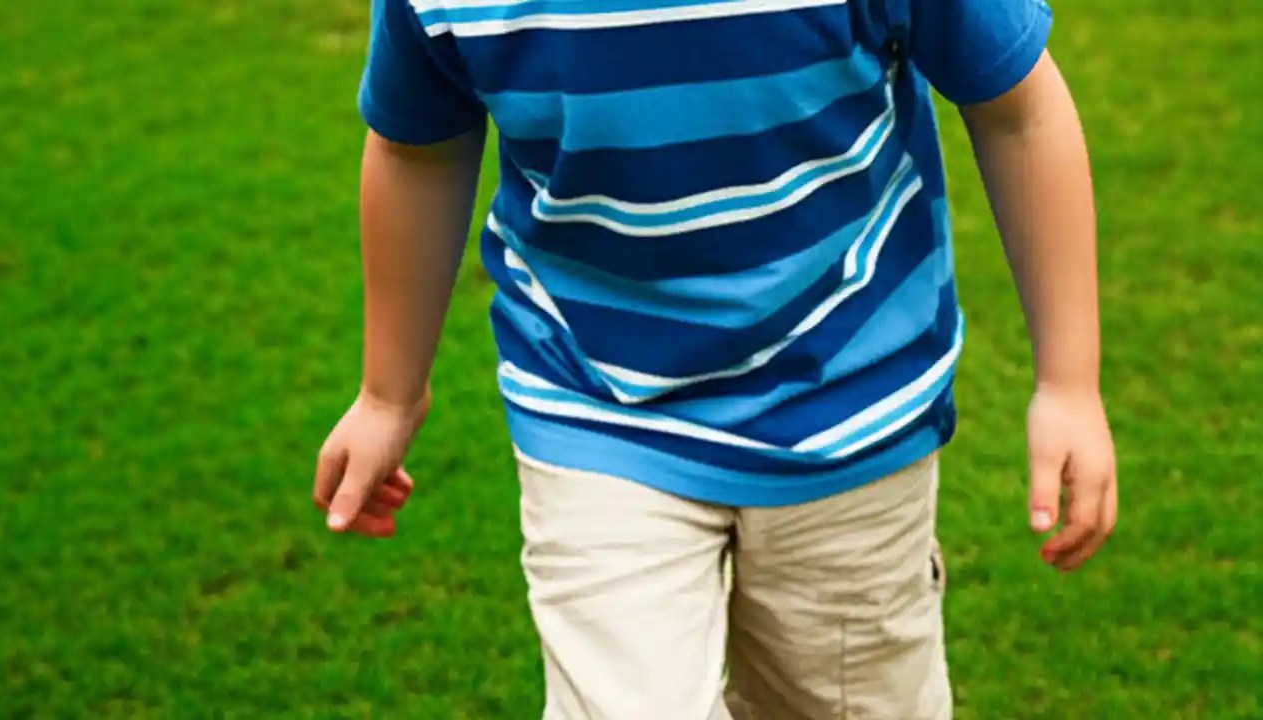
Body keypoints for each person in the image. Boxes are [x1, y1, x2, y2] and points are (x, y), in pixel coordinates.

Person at [312, 0, 1118, 715]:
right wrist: (388, 394)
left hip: (846, 411)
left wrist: (1069, 383)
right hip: (596, 407)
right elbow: (418, 147)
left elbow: (1018, 111)